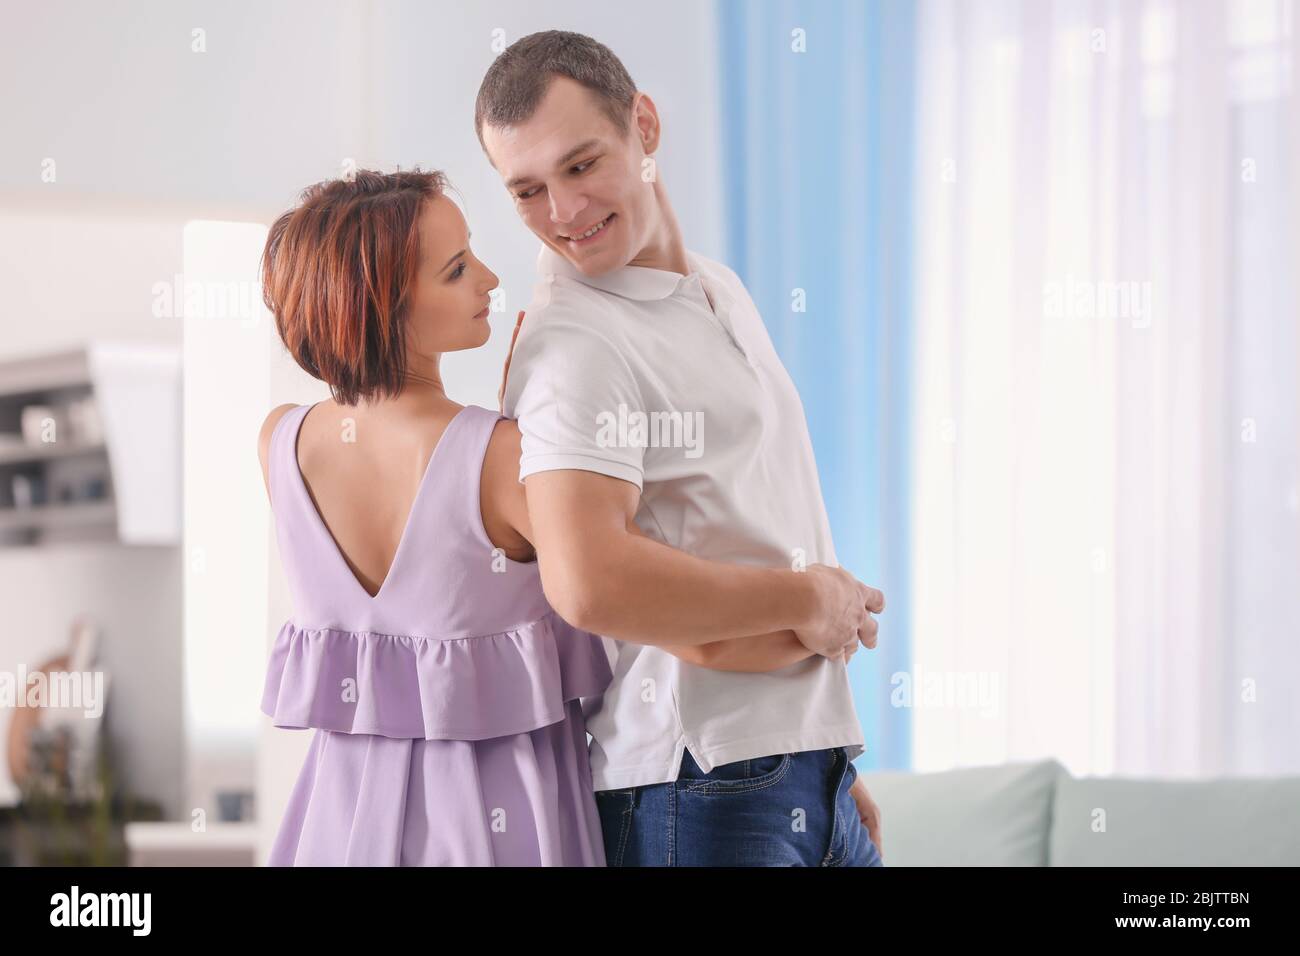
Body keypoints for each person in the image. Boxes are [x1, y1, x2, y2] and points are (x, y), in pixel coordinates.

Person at [255, 168, 879, 865]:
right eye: (457, 269)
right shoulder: (503, 461)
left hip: (339, 825)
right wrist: (831, 616)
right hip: (496, 824)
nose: (490, 279)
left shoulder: (281, 442)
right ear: (383, 307)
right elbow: (692, 631)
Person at [478, 30, 886, 866]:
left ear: (646, 126)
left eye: (581, 165)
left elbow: (747, 514)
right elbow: (589, 581)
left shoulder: (716, 286)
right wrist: (807, 602)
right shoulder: (575, 345)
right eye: (527, 190)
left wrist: (826, 758)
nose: (561, 212)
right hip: (696, 787)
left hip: (794, 772)